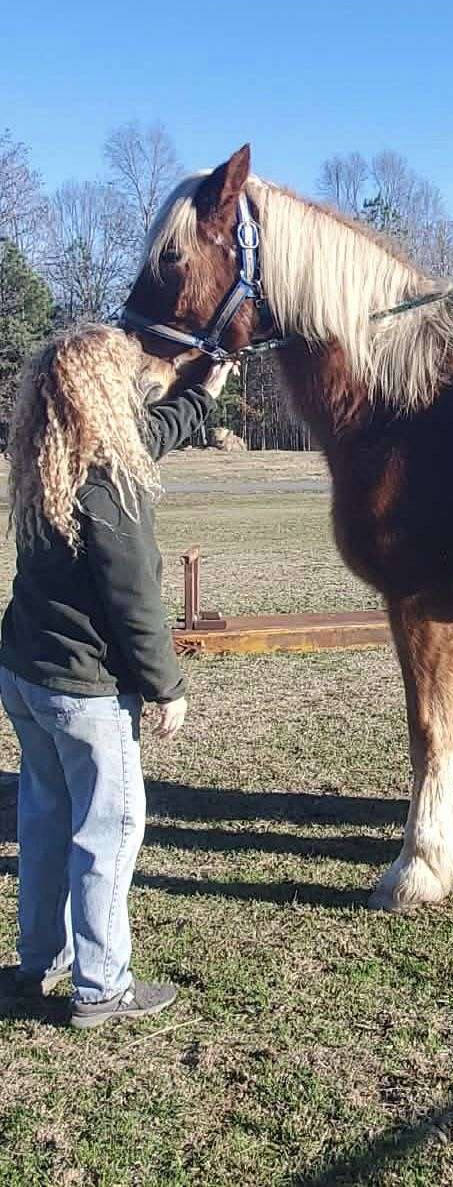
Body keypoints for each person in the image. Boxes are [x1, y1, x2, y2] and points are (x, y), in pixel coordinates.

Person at [0, 325, 233, 1028]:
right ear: (105, 397)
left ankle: (41, 960)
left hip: (26, 677)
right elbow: (134, 600)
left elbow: (145, 437)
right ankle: (103, 985)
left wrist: (202, 396)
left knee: (46, 818)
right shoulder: (112, 484)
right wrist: (168, 686)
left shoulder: (51, 460)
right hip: (84, 692)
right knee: (111, 827)